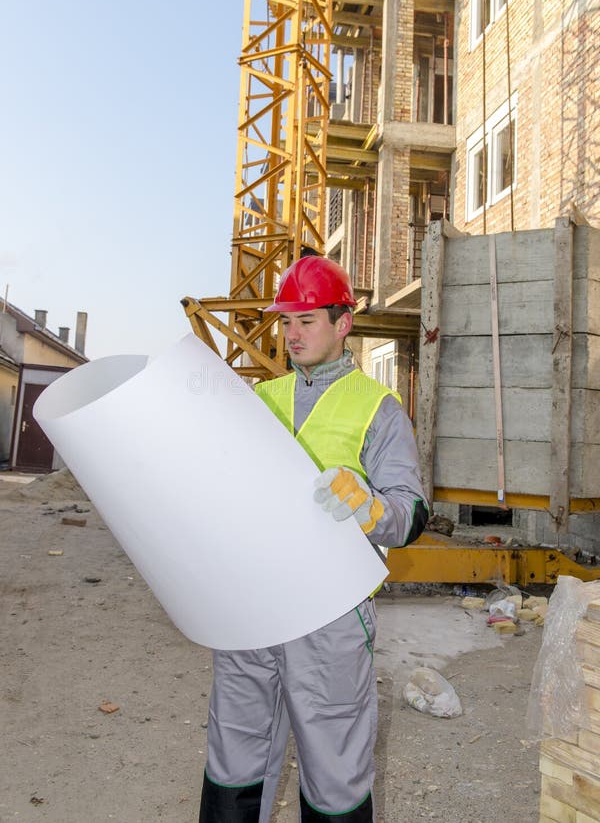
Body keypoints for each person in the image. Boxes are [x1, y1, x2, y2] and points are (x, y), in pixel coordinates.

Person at [199, 255, 428, 823]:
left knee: (334, 767)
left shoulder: (379, 408)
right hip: (251, 606)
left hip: (330, 614)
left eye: (306, 321)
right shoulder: (261, 401)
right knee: (233, 753)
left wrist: (367, 505)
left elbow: (410, 513)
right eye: (286, 322)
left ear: (344, 323)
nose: (292, 334)